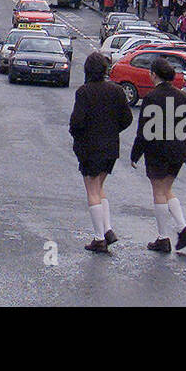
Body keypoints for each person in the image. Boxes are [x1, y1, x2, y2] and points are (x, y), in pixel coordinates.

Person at [68, 51, 134, 253]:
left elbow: (77, 122)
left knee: (92, 190)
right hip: (110, 148)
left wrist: (77, 134)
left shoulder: (84, 92)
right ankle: (107, 229)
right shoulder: (116, 91)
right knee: (100, 187)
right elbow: (127, 119)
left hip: (90, 148)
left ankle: (99, 238)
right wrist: (112, 130)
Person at [130, 57, 186, 253]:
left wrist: (135, 154)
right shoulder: (183, 97)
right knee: (167, 189)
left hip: (157, 150)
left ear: (154, 75)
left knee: (158, 191)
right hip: (178, 150)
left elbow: (143, 130)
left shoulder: (151, 98)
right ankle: (183, 228)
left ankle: (163, 237)